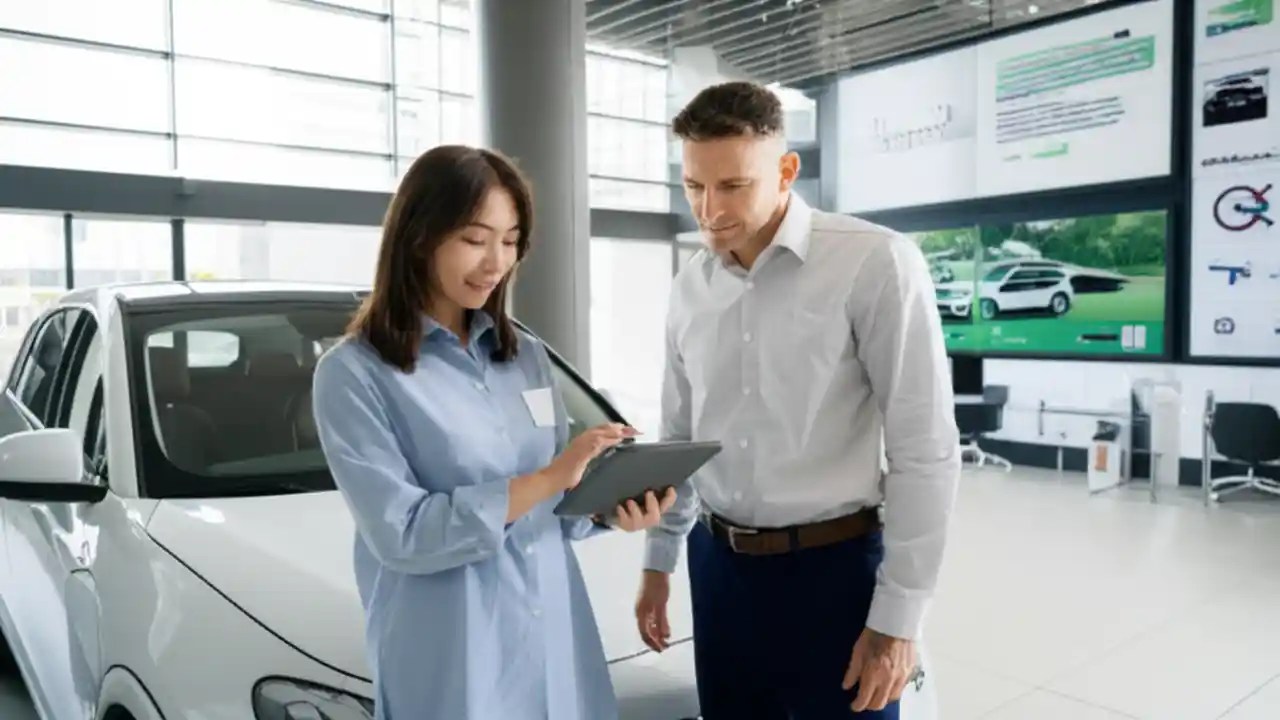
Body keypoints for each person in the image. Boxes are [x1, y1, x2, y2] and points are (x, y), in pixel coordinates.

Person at [311, 144, 676, 720]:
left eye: (510, 242)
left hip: (555, 641)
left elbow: (556, 505)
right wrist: (554, 474)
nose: (496, 262)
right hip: (454, 655)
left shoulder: (523, 354)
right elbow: (402, 533)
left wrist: (606, 508)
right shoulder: (353, 374)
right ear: (419, 235)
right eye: (475, 240)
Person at [635, 82, 962, 718]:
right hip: (718, 569)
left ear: (787, 171)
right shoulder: (689, 287)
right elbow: (678, 438)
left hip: (835, 575)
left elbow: (926, 453)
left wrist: (898, 622)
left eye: (733, 186)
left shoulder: (875, 263)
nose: (710, 209)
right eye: (694, 187)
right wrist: (658, 562)